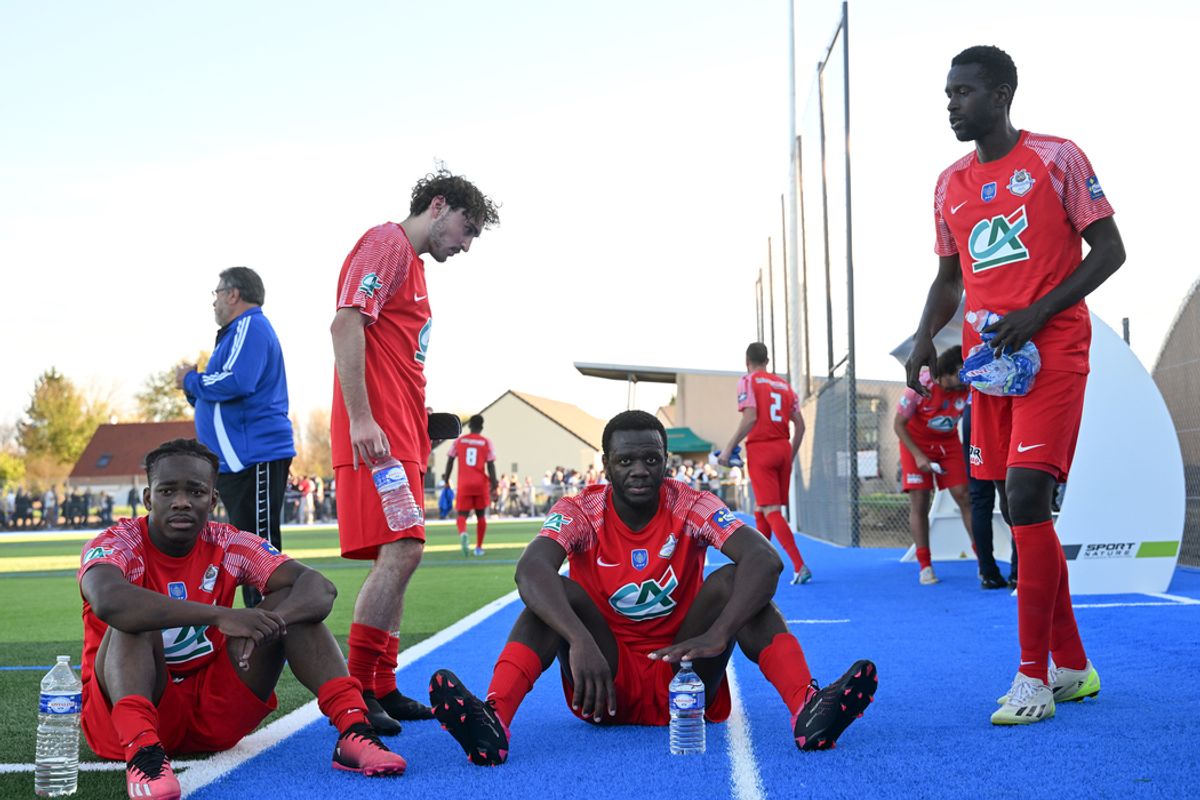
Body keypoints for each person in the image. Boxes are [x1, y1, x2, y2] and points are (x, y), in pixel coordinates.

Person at [426, 410, 877, 765]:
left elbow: (765, 560)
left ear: (666, 460)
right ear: (605, 466)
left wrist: (719, 635)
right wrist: (580, 641)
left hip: (688, 681)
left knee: (738, 582)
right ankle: (494, 719)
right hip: (602, 683)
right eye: (625, 461)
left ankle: (807, 708)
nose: (640, 470)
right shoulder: (581, 509)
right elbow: (531, 571)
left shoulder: (691, 502)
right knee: (551, 596)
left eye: (651, 459)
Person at [907, 45, 1123, 725]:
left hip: (1052, 350)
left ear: (1001, 95)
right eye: (947, 94)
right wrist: (923, 336)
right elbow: (949, 279)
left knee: (1028, 498)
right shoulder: (948, 184)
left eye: (964, 92)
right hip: (987, 366)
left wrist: (1041, 310)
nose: (951, 104)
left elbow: (1111, 250)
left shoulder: (1057, 158)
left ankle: (1032, 678)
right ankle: (1073, 666)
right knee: (1016, 508)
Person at [77, 439, 405, 800]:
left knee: (292, 603)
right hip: (124, 719)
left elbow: (319, 588)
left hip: (212, 711)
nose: (182, 501)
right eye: (167, 490)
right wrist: (222, 616)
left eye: (196, 491)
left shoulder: (228, 542)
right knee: (134, 618)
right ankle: (144, 756)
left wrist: (270, 622)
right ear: (147, 498)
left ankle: (354, 731)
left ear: (213, 500)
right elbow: (109, 600)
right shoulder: (118, 541)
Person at [330, 169, 499, 734]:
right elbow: (346, 322)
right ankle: (356, 692)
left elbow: (391, 351)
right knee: (402, 550)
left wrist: (420, 421)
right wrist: (361, 417)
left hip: (402, 437)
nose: (467, 243)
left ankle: (381, 683)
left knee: (401, 554)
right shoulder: (388, 244)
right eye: (466, 228)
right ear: (438, 205)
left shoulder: (414, 266)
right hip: (377, 438)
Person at [177, 266, 296, 609]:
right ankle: (258, 626)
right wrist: (195, 389)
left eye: (216, 293)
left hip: (253, 456)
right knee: (247, 549)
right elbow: (218, 394)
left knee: (260, 551)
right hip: (237, 460)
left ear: (233, 294)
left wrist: (190, 380)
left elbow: (237, 381)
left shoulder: (250, 326)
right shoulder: (234, 336)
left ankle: (270, 631)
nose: (213, 302)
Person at [719, 342, 810, 584]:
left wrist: (728, 448)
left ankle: (799, 565)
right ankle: (759, 563)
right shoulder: (785, 386)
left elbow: (750, 417)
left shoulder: (748, 381)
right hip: (782, 448)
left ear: (747, 361)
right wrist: (789, 456)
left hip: (761, 448)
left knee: (771, 511)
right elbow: (800, 425)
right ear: (767, 361)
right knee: (762, 508)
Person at [893, 345, 973, 585]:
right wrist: (918, 456)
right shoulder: (920, 385)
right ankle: (925, 565)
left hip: (947, 444)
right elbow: (898, 425)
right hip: (915, 444)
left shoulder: (968, 384)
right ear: (942, 374)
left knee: (965, 495)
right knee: (920, 500)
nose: (961, 386)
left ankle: (983, 559)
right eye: (956, 379)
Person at [960, 399, 1012, 589]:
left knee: (980, 499)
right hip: (1002, 407)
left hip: (974, 411)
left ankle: (988, 573)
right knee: (1013, 494)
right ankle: (1018, 573)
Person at [442, 414, 499, 556]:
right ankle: (479, 548)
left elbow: (450, 460)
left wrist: (446, 480)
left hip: (464, 483)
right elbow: (491, 465)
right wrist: (494, 484)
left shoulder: (459, 441)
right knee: (481, 516)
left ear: (469, 426)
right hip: (480, 483)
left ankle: (463, 533)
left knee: (462, 515)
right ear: (481, 427)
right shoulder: (486, 442)